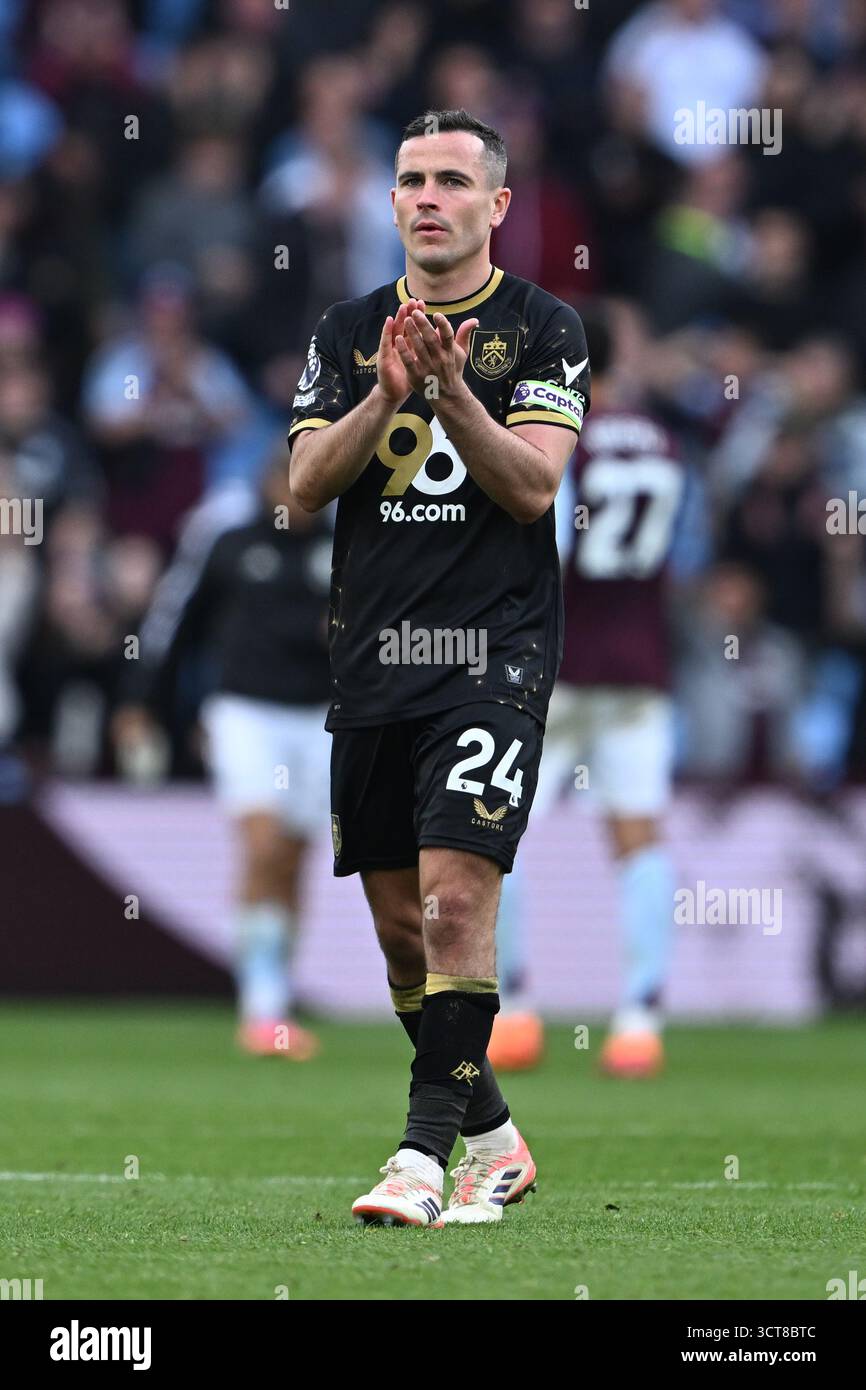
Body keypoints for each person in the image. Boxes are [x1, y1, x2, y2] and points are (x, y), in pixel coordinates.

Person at [289, 108, 590, 1226]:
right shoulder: (343, 328)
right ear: (391, 201)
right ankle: (498, 1141)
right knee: (401, 931)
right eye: (411, 178)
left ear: (496, 205)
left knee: (458, 899)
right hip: (372, 655)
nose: (428, 196)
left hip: (491, 655)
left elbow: (531, 488)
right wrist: (383, 390)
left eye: (452, 181)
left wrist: (451, 389)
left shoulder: (545, 326)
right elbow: (304, 487)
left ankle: (418, 1160)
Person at [511, 307, 683, 1078]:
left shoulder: (563, 437)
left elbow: (550, 550)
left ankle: (513, 1010)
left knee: (500, 831)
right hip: (641, 661)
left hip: (562, 660)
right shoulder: (666, 441)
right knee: (639, 836)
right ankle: (639, 1020)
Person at [113, 457, 332, 1059]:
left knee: (292, 858)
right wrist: (140, 701)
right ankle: (260, 1007)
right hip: (244, 714)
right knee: (262, 846)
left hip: (320, 719)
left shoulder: (346, 550)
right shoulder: (228, 545)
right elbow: (173, 624)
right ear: (266, 486)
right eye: (285, 481)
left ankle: (276, 996)